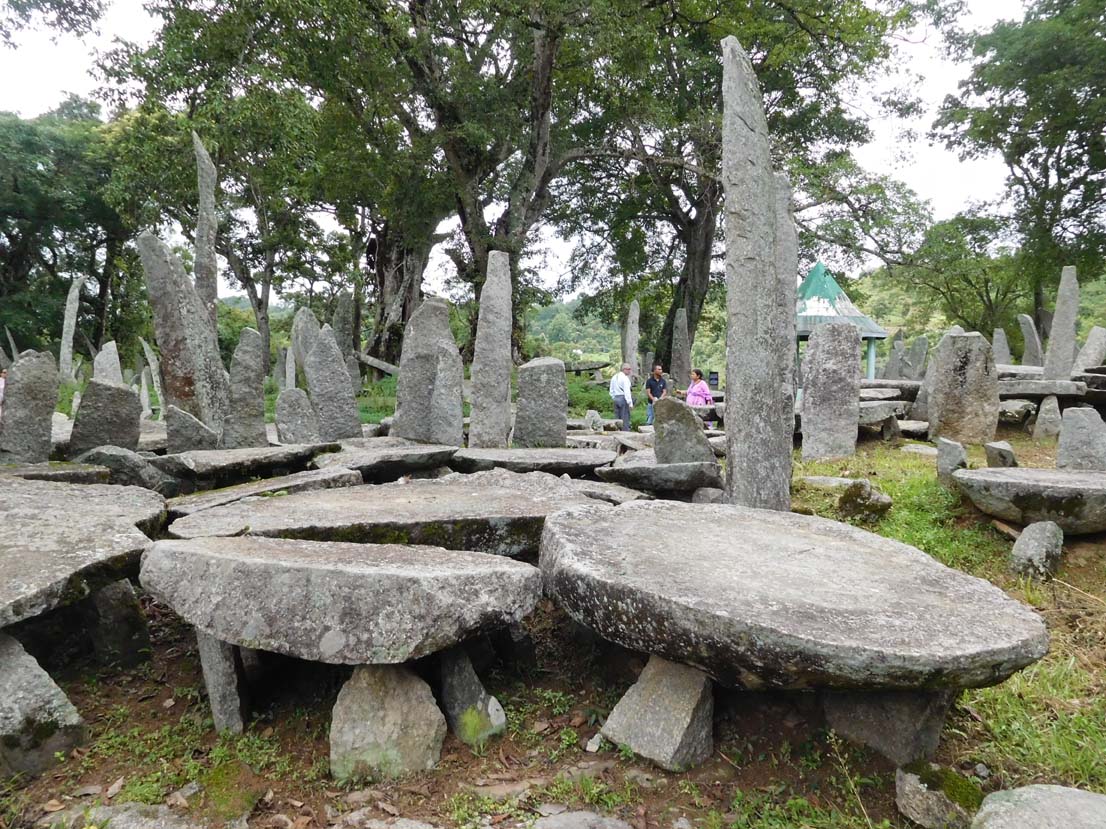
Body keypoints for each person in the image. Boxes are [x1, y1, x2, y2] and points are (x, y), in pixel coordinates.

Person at [608, 362, 634, 431]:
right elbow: (627, 392)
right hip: (623, 398)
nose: (629, 371)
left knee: (617, 417)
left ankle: (617, 430)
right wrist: (630, 403)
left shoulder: (614, 377)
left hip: (616, 398)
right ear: (624, 369)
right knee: (625, 417)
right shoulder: (625, 378)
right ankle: (625, 431)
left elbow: (611, 390)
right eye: (628, 369)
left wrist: (614, 397)